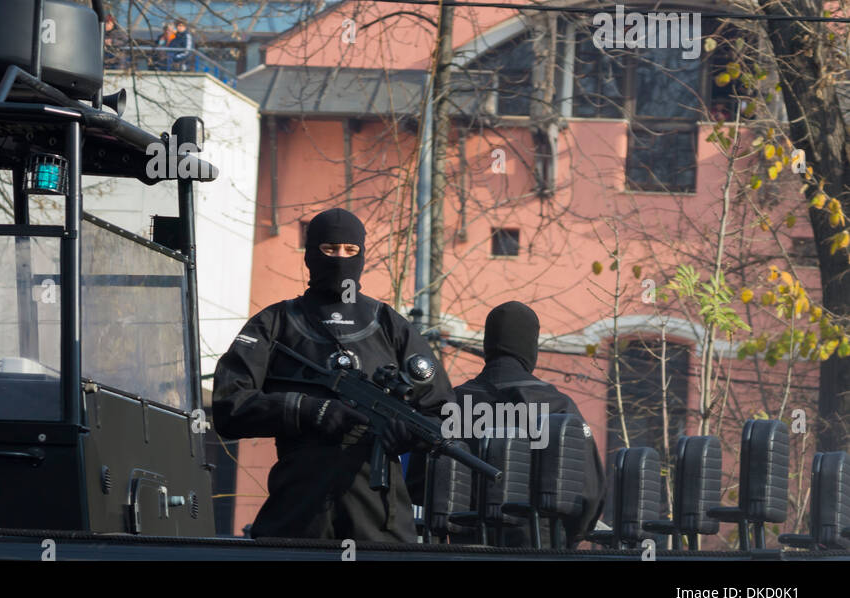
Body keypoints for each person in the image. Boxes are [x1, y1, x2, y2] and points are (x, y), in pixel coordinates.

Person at [212, 208, 453, 542]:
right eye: (329, 249)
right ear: (311, 253)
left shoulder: (389, 325)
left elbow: (442, 412)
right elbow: (229, 406)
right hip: (298, 512)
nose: (340, 259)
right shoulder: (275, 323)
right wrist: (308, 411)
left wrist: (408, 433)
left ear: (362, 255)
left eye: (350, 251)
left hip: (380, 518)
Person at [448, 301, 605, 547]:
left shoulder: (453, 403)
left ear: (488, 344)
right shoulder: (557, 405)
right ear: (530, 344)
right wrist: (570, 540)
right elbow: (589, 492)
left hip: (463, 549)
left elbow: (419, 486)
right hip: (539, 548)